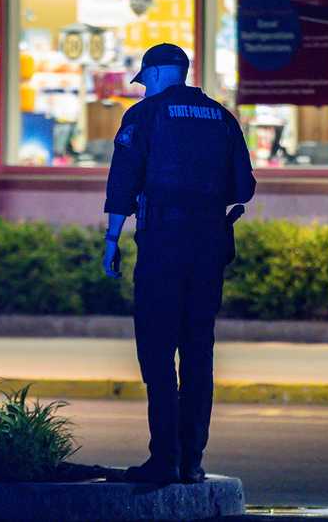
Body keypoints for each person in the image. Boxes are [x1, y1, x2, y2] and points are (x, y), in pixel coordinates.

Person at [101, 43, 256, 485]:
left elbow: (122, 182)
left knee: (157, 351)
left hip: (162, 247)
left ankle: (164, 459)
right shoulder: (222, 117)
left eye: (144, 80)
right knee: (198, 353)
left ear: (154, 74)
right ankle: (192, 461)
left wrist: (112, 240)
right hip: (208, 248)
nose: (143, 87)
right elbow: (243, 187)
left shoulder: (144, 116)